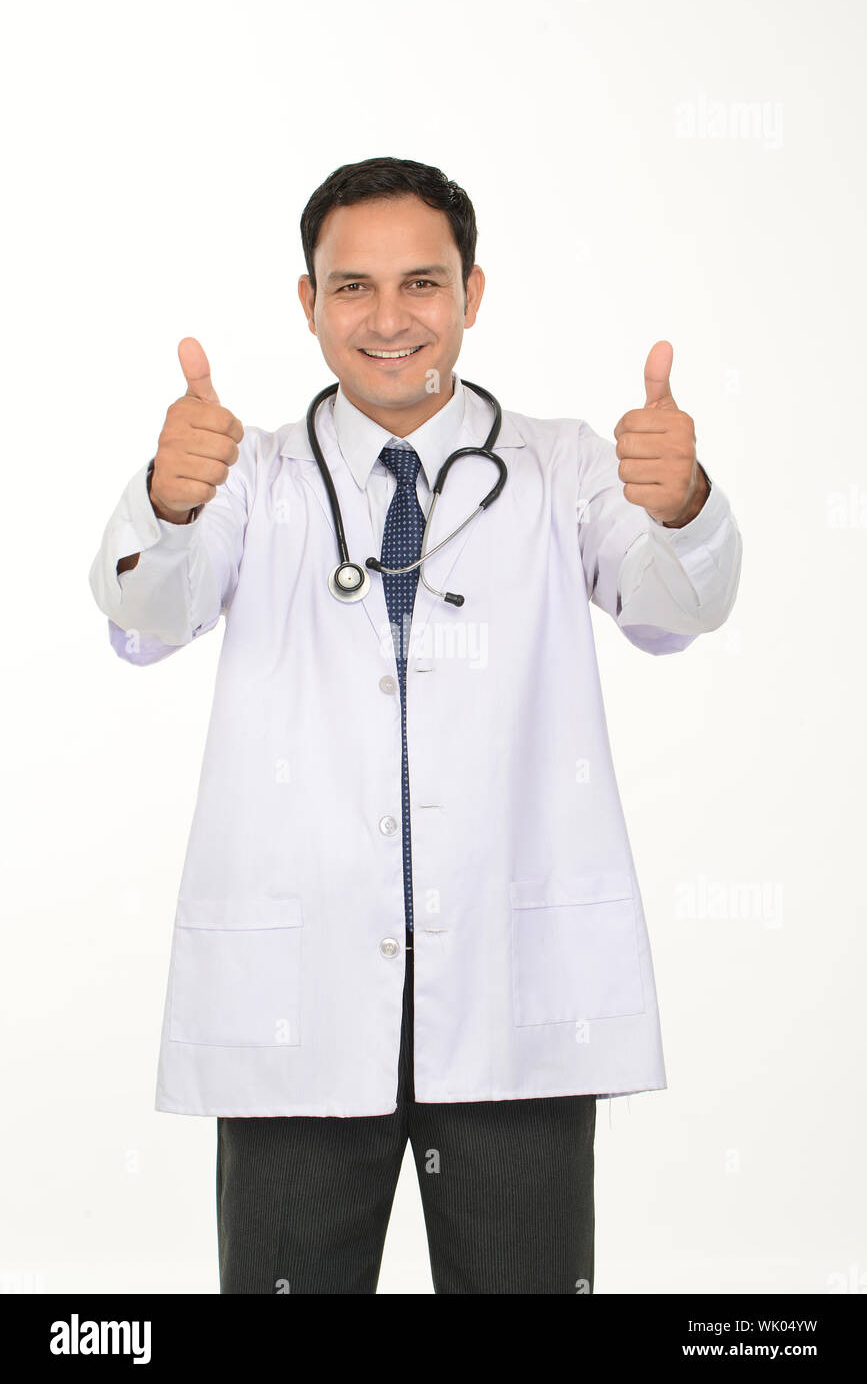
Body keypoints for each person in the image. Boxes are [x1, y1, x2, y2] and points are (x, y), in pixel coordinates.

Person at [89, 155, 742, 1295]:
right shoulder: (250, 471)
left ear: (472, 293)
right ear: (308, 303)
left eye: (422, 283)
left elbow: (675, 607)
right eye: (352, 287)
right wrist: (164, 498)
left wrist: (684, 507)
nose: (389, 319)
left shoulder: (565, 465)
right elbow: (149, 610)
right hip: (299, 994)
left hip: (508, 994)